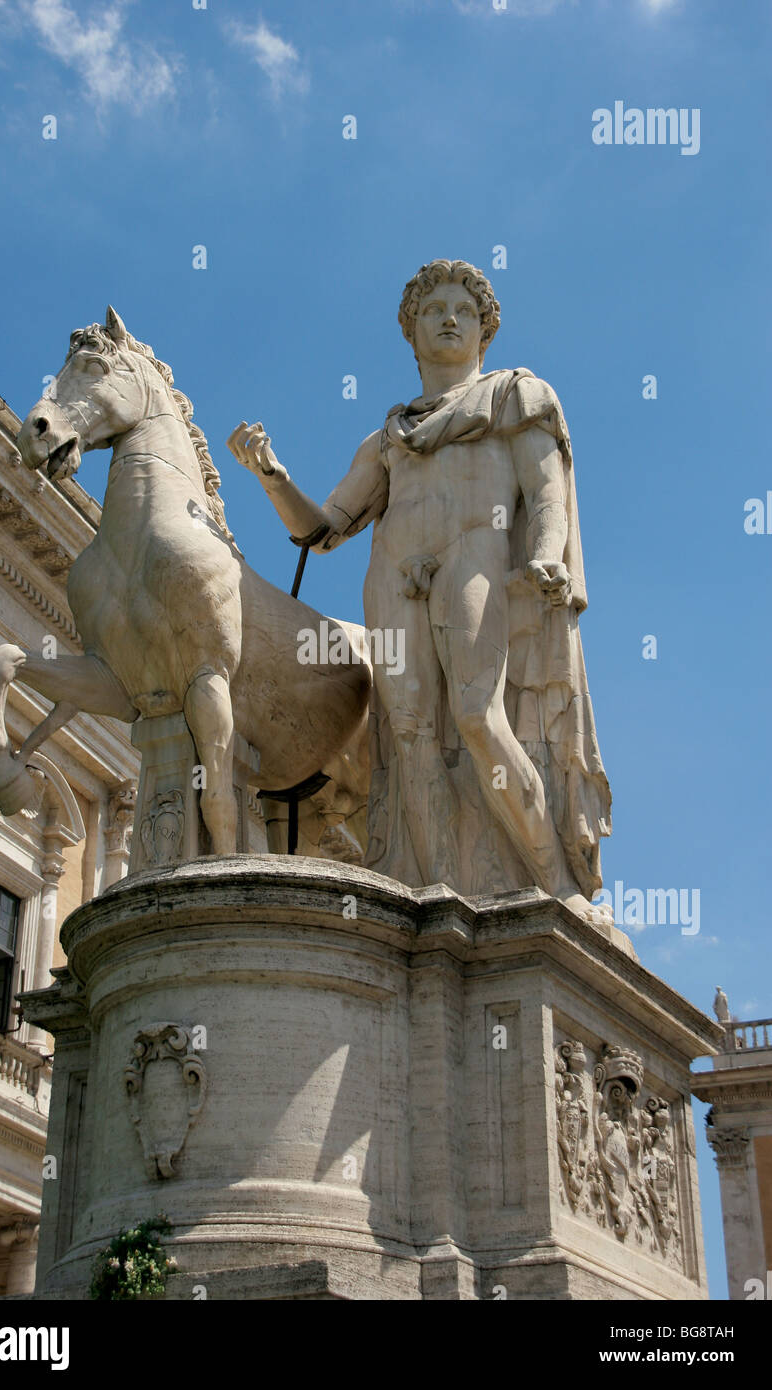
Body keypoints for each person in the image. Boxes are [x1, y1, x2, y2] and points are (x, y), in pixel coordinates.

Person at [228, 260, 611, 919]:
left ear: (485, 327)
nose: (448, 318)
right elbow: (323, 530)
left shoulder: (514, 395)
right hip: (394, 578)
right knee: (404, 736)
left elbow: (547, 493)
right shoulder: (387, 440)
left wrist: (548, 554)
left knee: (476, 716)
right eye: (433, 310)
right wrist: (271, 475)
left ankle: (556, 883)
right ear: (411, 332)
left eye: (462, 308)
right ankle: (433, 895)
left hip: (475, 558)